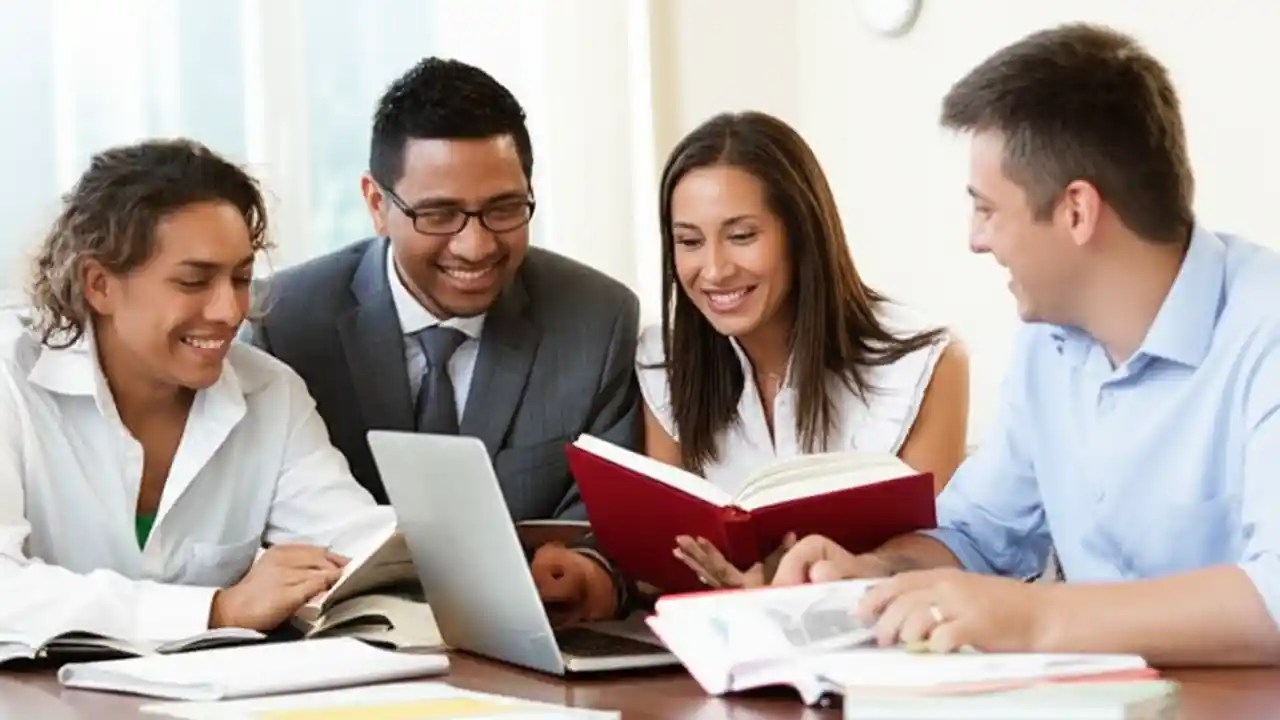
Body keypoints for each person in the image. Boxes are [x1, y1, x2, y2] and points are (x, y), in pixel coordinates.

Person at [773, 23, 1280, 665]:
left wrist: (1036, 618)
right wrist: (875, 573)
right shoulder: (1050, 347)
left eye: (987, 209)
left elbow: (1275, 597)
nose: (975, 239)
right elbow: (978, 534)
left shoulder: (1266, 332)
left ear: (1076, 211)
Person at [246, 58, 638, 624]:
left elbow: (607, 519)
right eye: (439, 215)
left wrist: (591, 571)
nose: (476, 246)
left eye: (504, 209)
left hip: (531, 644)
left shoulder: (595, 319)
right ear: (377, 205)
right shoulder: (285, 323)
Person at [0, 139, 393, 641]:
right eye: (193, 282)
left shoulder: (270, 393)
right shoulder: (9, 379)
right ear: (99, 284)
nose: (229, 311)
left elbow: (360, 547)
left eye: (241, 278)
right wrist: (217, 610)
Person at [575, 111, 970, 606]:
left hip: (874, 640)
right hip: (713, 647)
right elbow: (663, 563)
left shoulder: (925, 360)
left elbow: (940, 559)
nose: (714, 270)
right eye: (690, 242)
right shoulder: (663, 363)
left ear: (800, 232)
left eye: (742, 236)